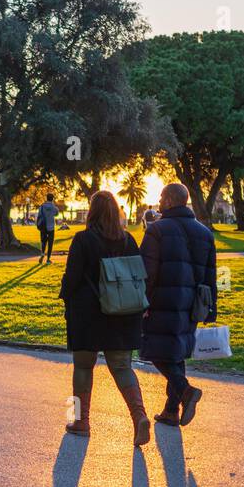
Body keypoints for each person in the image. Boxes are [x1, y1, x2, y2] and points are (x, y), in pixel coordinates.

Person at [59, 190, 150, 446]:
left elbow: (72, 277)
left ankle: (81, 421)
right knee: (122, 367)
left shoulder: (83, 240)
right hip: (123, 312)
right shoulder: (128, 240)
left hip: (89, 313)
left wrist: (64, 296)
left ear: (93, 212)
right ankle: (139, 415)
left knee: (83, 366)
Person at [140, 182, 217, 427]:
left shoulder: (157, 230)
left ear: (171, 200)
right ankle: (171, 410)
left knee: (153, 349)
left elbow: (147, 272)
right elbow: (210, 274)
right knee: (177, 352)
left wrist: (142, 301)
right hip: (191, 303)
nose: (159, 201)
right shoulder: (205, 233)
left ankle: (185, 391)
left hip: (163, 300)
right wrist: (210, 307)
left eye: (162, 197)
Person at [36, 193, 59, 263]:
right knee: (50, 243)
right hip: (51, 227)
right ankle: (48, 259)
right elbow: (56, 214)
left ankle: (42, 254)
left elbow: (39, 215)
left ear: (46, 198)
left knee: (43, 242)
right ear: (52, 199)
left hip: (43, 227)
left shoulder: (42, 206)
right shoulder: (54, 207)